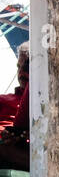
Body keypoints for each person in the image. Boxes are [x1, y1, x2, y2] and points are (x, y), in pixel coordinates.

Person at [0, 42, 29, 170]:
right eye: (19, 67)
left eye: (27, 67)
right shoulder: (3, 100)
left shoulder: (48, 99)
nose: (21, 73)